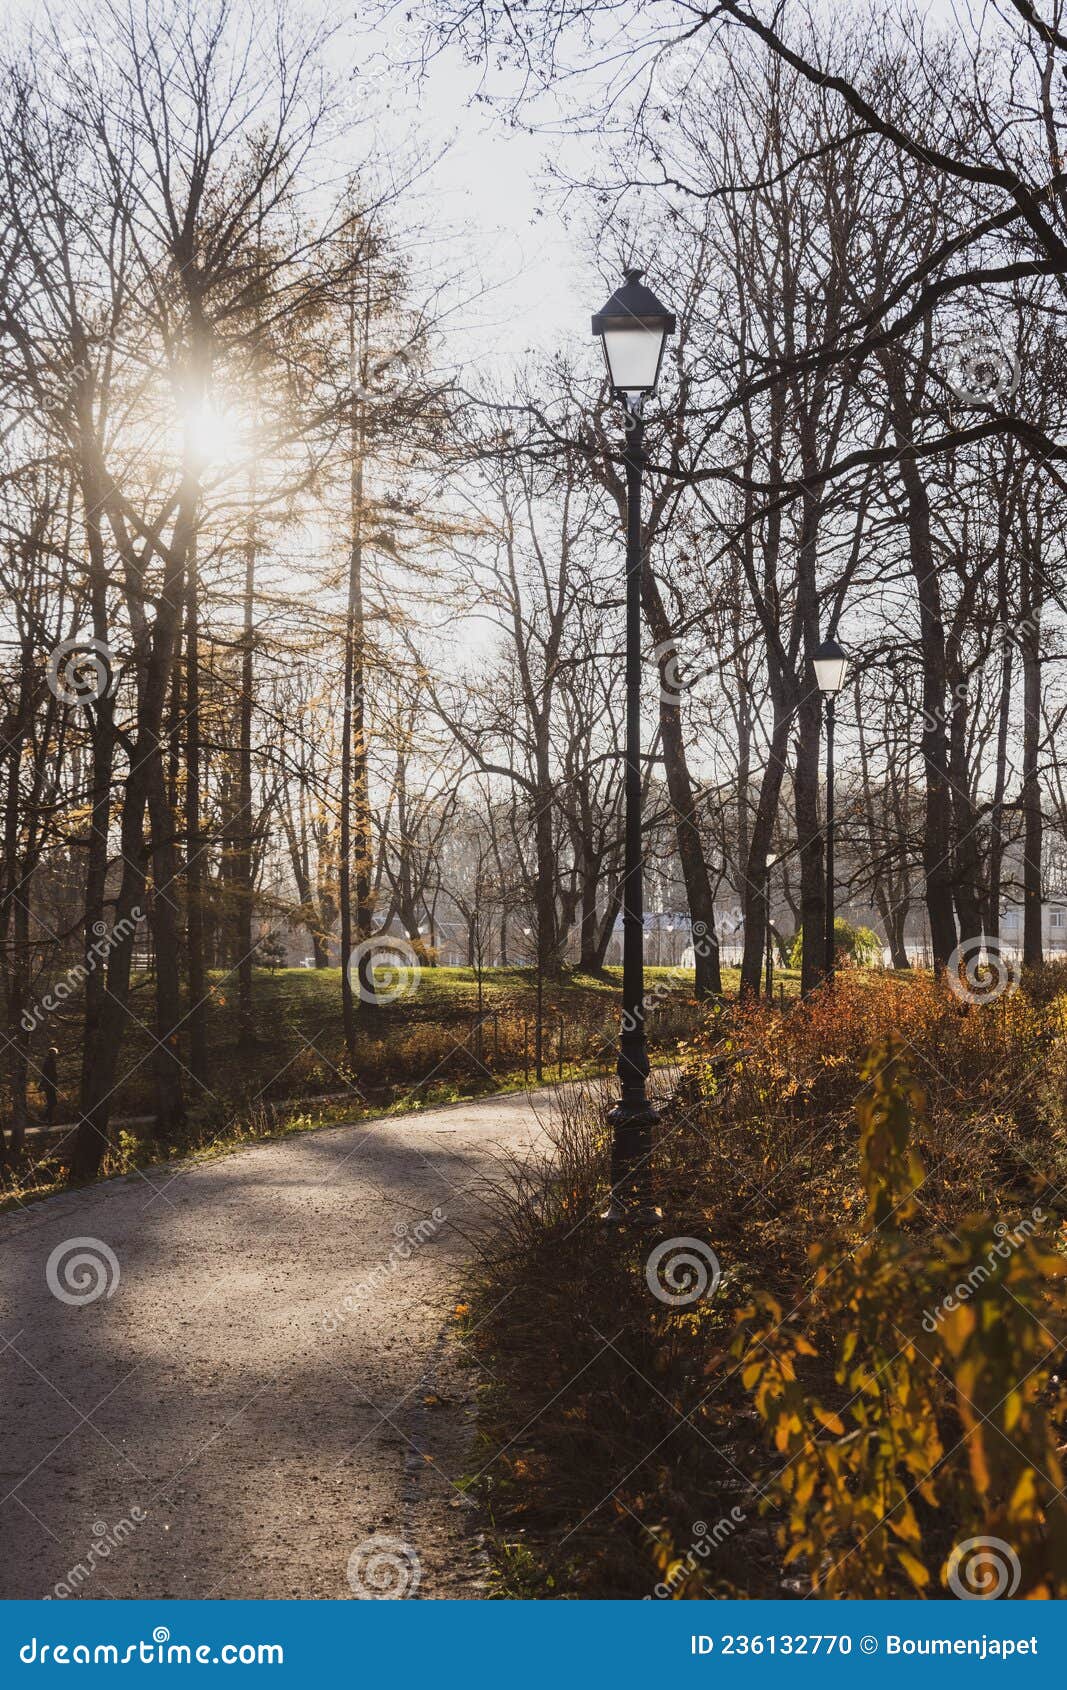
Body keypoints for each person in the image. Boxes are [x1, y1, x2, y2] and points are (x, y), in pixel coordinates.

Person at [41, 1045, 59, 1126]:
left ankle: (48, 1120)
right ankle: (46, 1119)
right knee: (53, 1102)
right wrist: (50, 1083)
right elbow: (48, 1074)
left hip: (50, 1084)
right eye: (54, 1053)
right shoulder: (49, 1062)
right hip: (49, 1084)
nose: (55, 1054)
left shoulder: (50, 1061)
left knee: (52, 1102)